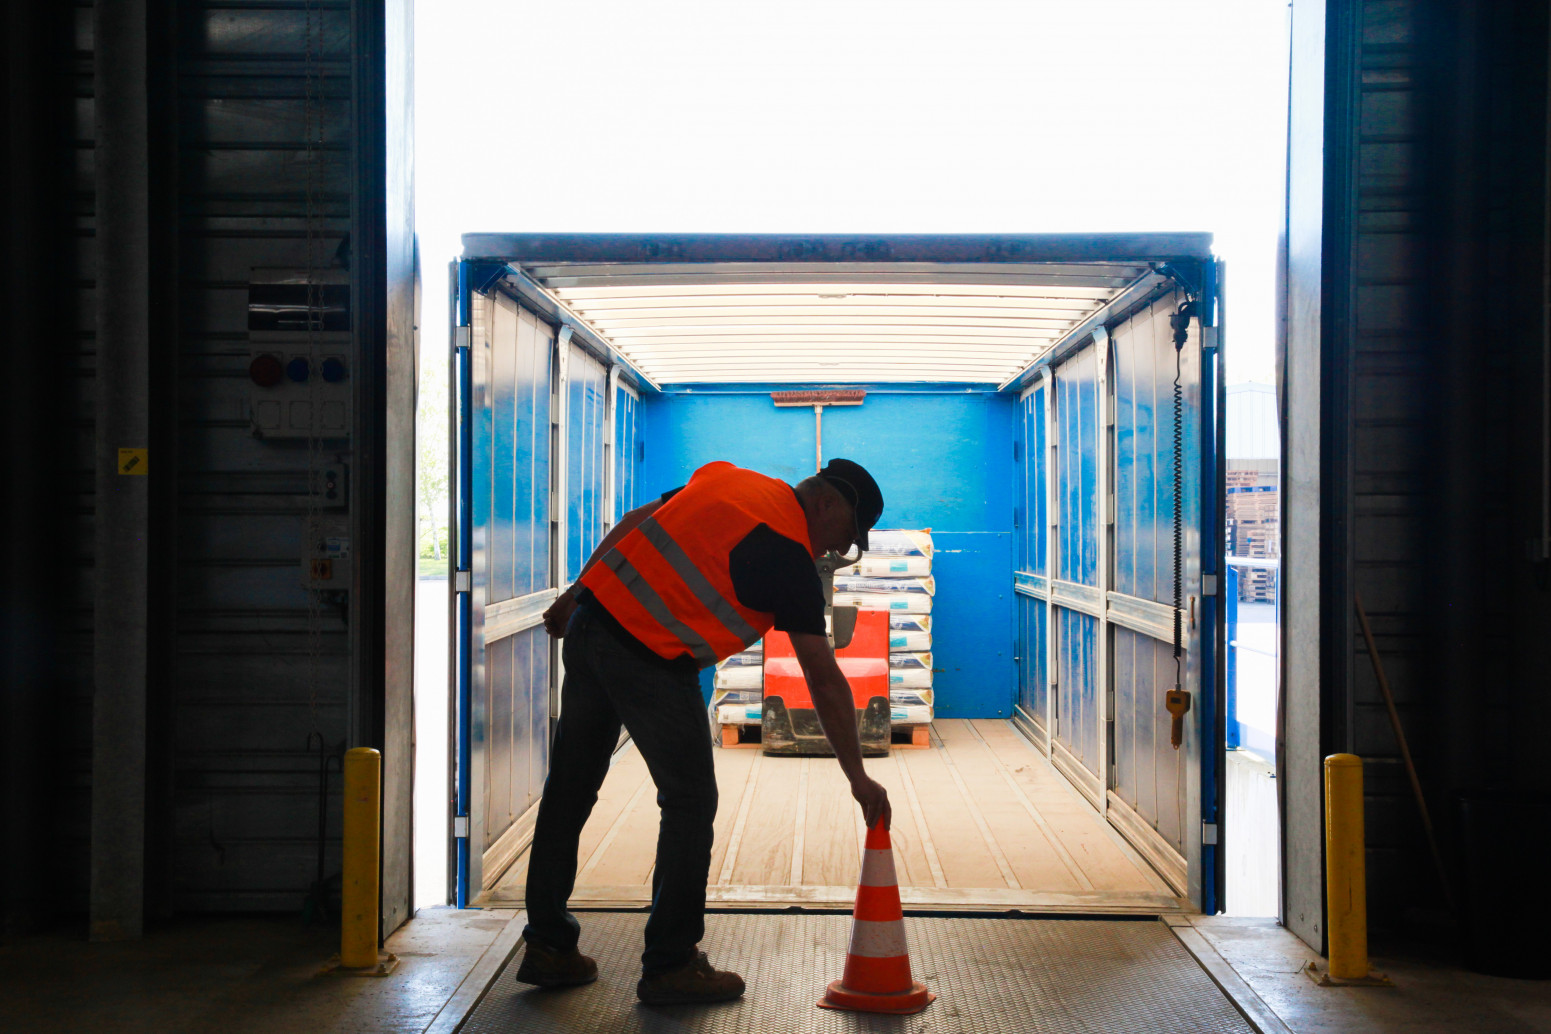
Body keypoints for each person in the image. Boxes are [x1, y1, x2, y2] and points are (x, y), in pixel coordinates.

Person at [513, 458, 891, 1005]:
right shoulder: (790, 557)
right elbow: (824, 676)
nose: (838, 551)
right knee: (690, 802)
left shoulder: (730, 479)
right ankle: (670, 964)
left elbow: (636, 521)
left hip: (594, 629)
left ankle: (548, 946)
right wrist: (857, 777)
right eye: (846, 537)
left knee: (569, 789)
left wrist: (580, 591)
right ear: (828, 504)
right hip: (650, 659)